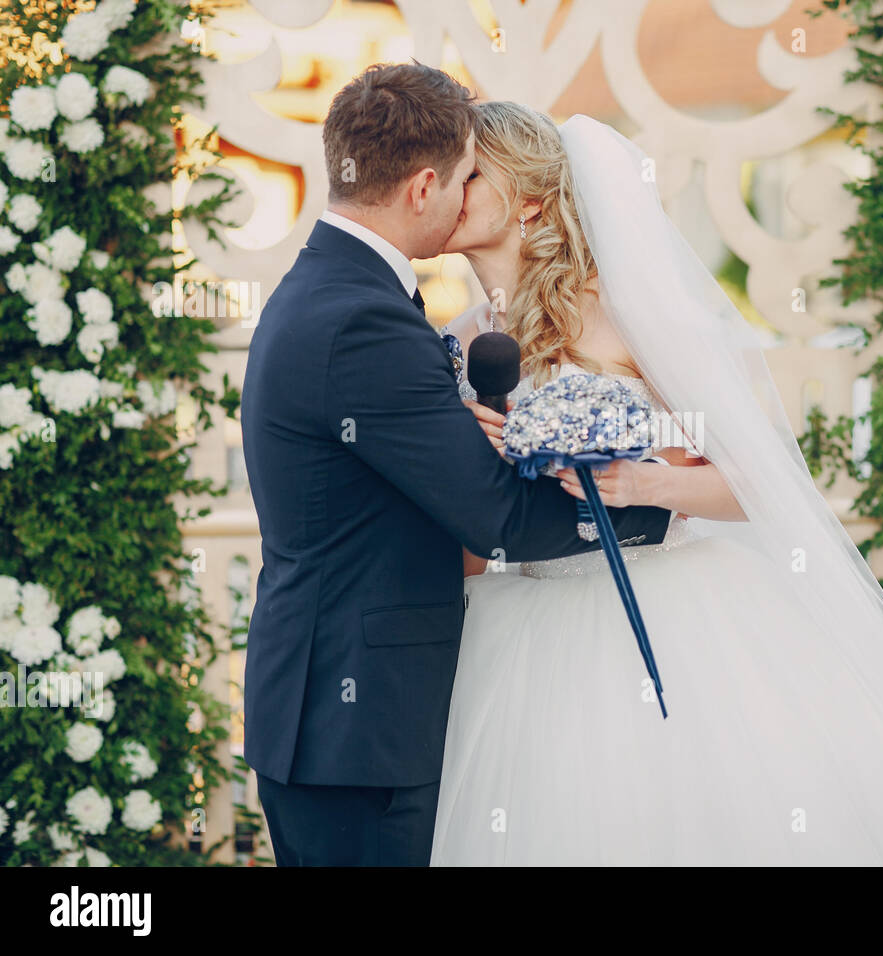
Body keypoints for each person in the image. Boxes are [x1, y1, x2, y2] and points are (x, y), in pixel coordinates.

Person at [429, 102, 883, 865]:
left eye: (470, 174)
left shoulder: (618, 311)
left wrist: (641, 484)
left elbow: (756, 481)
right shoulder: (457, 343)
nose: (446, 188)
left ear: (527, 198)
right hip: (520, 628)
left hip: (665, 606)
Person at [240, 65, 673, 866]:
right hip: (359, 732)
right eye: (464, 175)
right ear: (423, 188)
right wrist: (654, 510)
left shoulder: (335, 290)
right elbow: (498, 520)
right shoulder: (364, 318)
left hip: (348, 715)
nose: (467, 192)